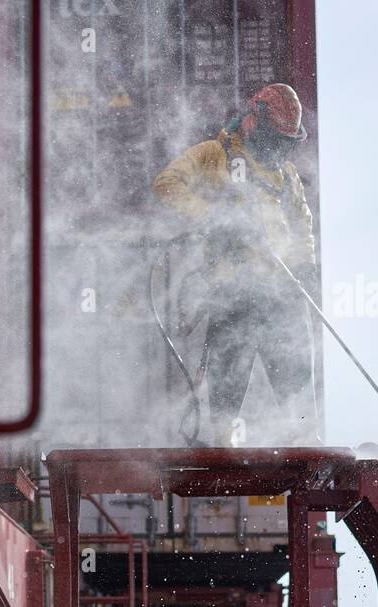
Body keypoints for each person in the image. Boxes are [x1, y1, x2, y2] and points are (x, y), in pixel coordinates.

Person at [152, 83, 321, 446]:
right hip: (233, 292)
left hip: (282, 291)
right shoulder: (214, 155)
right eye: (274, 137)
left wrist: (304, 263)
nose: (278, 147)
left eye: (284, 141)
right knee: (228, 388)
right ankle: (221, 445)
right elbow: (166, 183)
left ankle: (306, 442)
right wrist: (212, 218)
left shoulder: (286, 175)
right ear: (252, 122)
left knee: (297, 383)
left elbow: (300, 222)